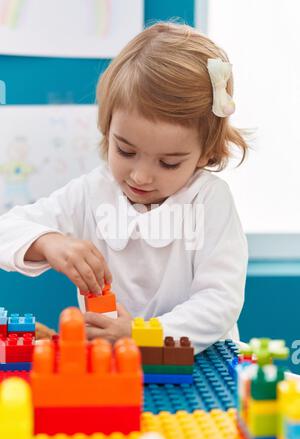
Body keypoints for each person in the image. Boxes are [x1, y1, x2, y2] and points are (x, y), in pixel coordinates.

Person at [0, 22, 249, 353]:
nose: (141, 176)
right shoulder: (91, 192)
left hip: (198, 365)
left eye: (168, 163)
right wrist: (50, 243)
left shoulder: (209, 200)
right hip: (112, 366)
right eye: (126, 151)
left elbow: (219, 301)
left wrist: (141, 334)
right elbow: (8, 230)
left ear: (205, 152)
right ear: (107, 127)